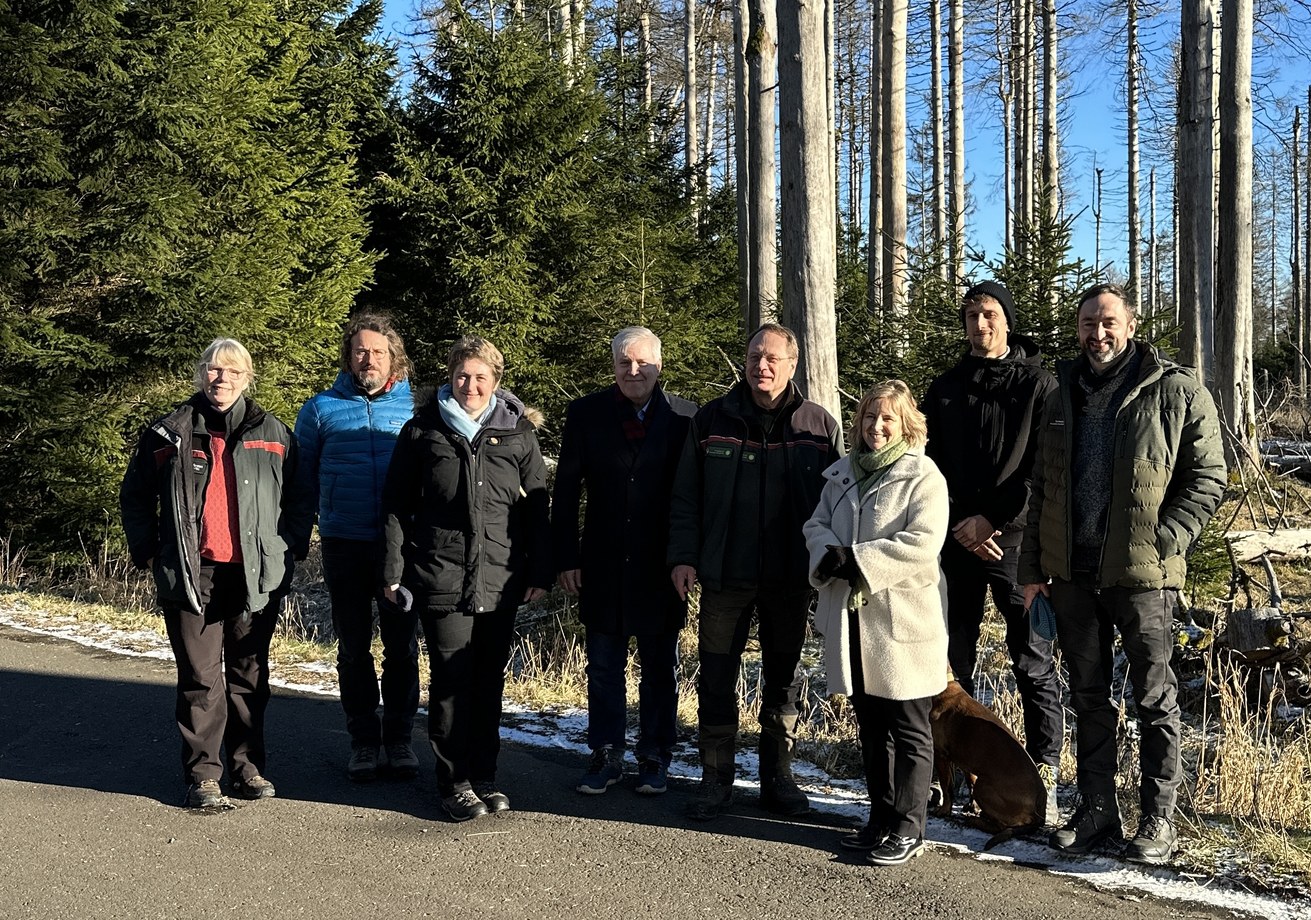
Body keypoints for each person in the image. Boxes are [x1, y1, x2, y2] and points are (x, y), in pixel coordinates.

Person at [1020, 283, 1226, 865]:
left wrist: (1166, 541)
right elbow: (1043, 487)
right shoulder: (1061, 393)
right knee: (1088, 696)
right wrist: (1034, 566)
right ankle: (1096, 810)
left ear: (1131, 325)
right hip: (1072, 576)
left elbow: (1208, 475)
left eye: (1108, 322)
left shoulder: (1176, 390)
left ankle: (1158, 818)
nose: (1098, 334)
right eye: (1088, 323)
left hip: (1143, 577)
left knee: (1154, 698)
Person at [121, 338, 312, 808]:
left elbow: (301, 498)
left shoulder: (274, 432)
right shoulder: (170, 433)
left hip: (254, 576)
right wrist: (148, 551)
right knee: (201, 677)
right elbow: (135, 495)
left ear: (247, 378)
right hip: (191, 572)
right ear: (200, 374)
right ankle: (204, 776)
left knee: (249, 675)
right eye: (212, 369)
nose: (220, 378)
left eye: (231, 371)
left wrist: (286, 551)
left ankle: (248, 768)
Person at [668, 322, 843, 821]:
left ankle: (777, 777)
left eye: (771, 359)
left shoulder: (817, 426)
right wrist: (683, 556)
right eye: (752, 358)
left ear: (793, 365)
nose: (760, 366)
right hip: (725, 576)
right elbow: (686, 497)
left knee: (783, 680)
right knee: (718, 677)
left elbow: (835, 506)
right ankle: (715, 778)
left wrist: (831, 562)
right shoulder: (712, 420)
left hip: (791, 578)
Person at [380, 335, 552, 822]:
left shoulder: (517, 434)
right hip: (440, 574)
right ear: (449, 377)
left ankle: (484, 775)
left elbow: (538, 508)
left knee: (488, 681)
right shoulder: (422, 431)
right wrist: (392, 571)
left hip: (500, 578)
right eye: (461, 375)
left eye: (480, 377)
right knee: (452, 681)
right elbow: (396, 507)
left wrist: (539, 569)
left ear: (496, 381)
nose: (470, 385)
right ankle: (454, 782)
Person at [922, 280, 1063, 824]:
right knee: (951, 658)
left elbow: (1043, 467)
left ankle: (1043, 764)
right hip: (956, 541)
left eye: (989, 315)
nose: (979, 325)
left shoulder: (1038, 385)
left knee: (1030, 655)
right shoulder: (946, 387)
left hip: (1016, 542)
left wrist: (995, 519)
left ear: (1007, 319)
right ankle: (942, 774)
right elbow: (928, 463)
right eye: (971, 316)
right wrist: (960, 521)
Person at [803, 380, 949, 866]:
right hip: (854, 623)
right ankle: (880, 818)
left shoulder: (923, 475)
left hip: (903, 622)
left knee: (909, 727)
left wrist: (859, 559)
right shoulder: (842, 474)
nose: (877, 427)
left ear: (906, 423)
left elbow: (923, 542)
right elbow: (815, 525)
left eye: (887, 418)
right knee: (871, 726)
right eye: (869, 417)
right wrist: (829, 555)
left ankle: (910, 826)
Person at [552, 327, 696, 796]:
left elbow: (694, 497)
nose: (633, 372)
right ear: (613, 365)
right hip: (603, 560)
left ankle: (655, 755)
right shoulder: (586, 414)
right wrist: (566, 556)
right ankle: (607, 752)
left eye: (642, 363)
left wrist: (687, 557)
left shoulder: (685, 418)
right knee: (604, 666)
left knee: (660, 667)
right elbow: (567, 490)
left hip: (662, 566)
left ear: (659, 365)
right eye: (624, 363)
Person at [294, 314, 420, 782]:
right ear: (349, 356)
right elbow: (302, 479)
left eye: (378, 352)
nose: (368, 359)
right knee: (352, 648)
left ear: (394, 357)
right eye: (360, 351)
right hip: (344, 543)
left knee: (402, 648)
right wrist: (297, 537)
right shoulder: (321, 409)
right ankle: (364, 740)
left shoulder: (416, 408)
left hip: (401, 549)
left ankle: (401, 738)